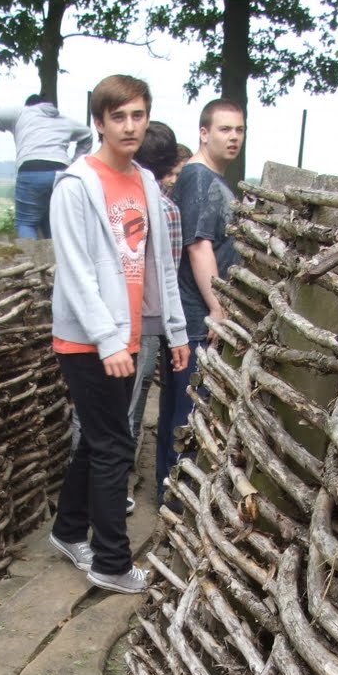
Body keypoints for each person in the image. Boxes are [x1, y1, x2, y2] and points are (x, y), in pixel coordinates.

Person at [48, 75, 189, 594]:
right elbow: (76, 270)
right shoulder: (76, 185)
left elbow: (157, 267)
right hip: (88, 341)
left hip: (127, 336)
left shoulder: (146, 182)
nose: (130, 126)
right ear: (99, 122)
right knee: (113, 445)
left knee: (98, 440)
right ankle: (111, 561)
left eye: (138, 115)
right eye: (119, 117)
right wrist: (108, 341)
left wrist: (174, 332)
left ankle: (67, 531)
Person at [156, 99, 244, 502]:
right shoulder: (199, 179)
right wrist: (217, 308)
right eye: (225, 129)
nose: (234, 137)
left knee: (182, 409)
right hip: (197, 320)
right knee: (190, 413)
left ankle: (169, 495)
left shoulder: (206, 179)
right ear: (203, 132)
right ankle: (177, 500)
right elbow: (198, 246)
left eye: (239, 130)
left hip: (195, 317)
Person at [129, 121, 184, 454]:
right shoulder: (168, 211)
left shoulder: (121, 203)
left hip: (114, 318)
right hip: (147, 322)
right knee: (132, 407)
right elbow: (169, 273)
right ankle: (120, 485)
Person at [0, 94, 93, 240]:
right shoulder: (65, 120)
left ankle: (29, 261)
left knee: (26, 223)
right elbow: (87, 134)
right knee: (53, 223)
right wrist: (74, 164)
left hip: (31, 171)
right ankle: (58, 261)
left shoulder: (23, 112)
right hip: (60, 173)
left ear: (28, 106)